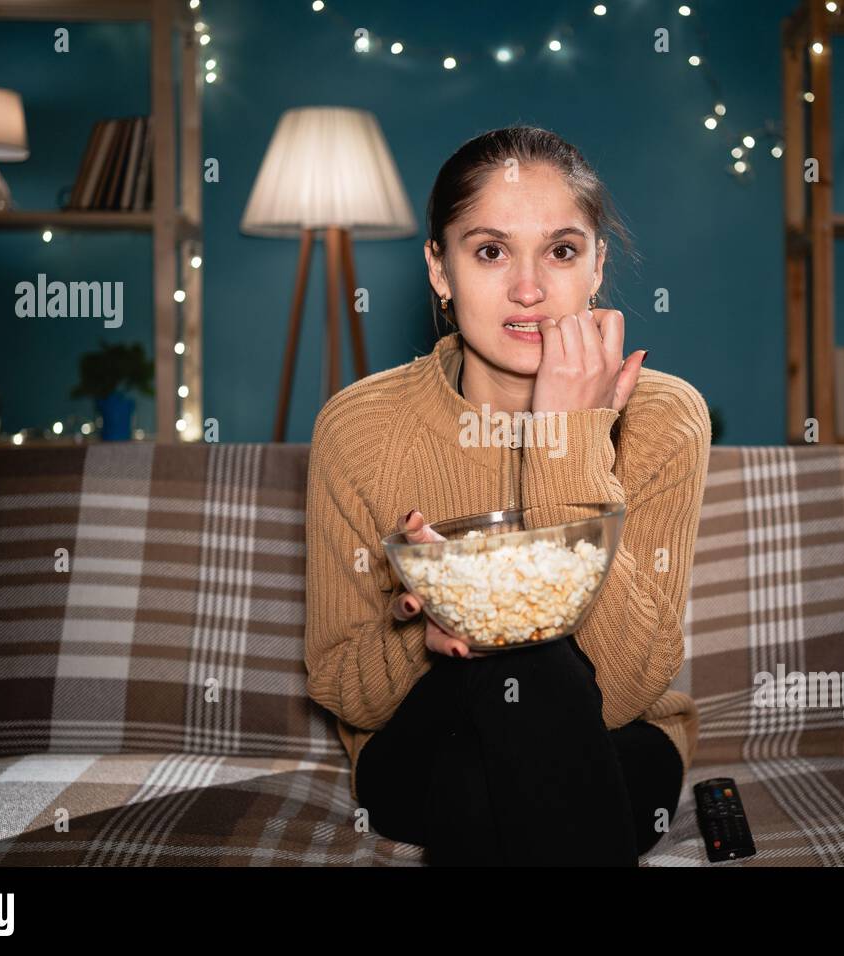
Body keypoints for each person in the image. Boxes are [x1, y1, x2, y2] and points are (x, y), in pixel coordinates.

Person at [303, 125, 711, 865]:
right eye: (490, 251)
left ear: (596, 267)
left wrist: (569, 437)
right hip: (417, 738)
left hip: (621, 741)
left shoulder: (665, 416)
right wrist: (421, 631)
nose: (529, 289)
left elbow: (624, 688)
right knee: (509, 672)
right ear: (439, 267)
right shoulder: (357, 429)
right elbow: (343, 690)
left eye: (561, 251)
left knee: (497, 747)